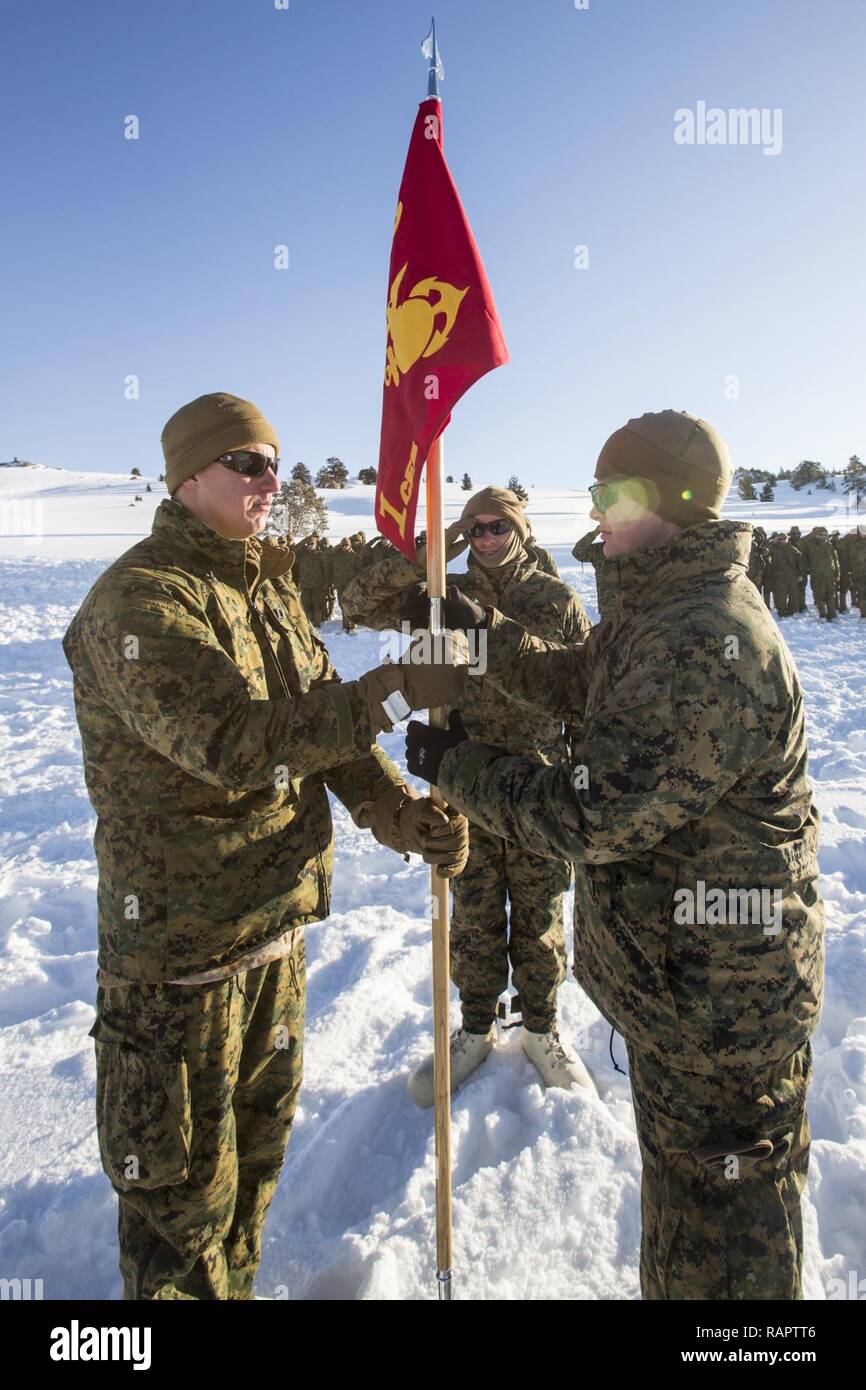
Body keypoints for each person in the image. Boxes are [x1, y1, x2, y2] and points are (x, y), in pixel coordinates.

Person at [382, 410, 824, 1300]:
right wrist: (480, 632)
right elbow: (572, 681)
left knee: (727, 1259)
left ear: (671, 500)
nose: (593, 510)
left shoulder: (701, 636)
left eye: (609, 491)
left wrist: (457, 766)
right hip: (686, 996)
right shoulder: (656, 609)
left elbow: (594, 817)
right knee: (685, 1227)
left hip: (725, 1014)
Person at [63, 391, 469, 1300]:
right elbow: (233, 744)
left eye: (274, 462)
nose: (268, 480)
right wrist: (396, 687)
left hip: (274, 942)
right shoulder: (141, 598)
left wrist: (397, 811)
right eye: (246, 462)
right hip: (180, 966)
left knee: (251, 1181)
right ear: (188, 477)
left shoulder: (264, 587)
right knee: (180, 1215)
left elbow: (322, 722)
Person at [345, 487, 593, 1102]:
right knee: (475, 914)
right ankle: (476, 1026)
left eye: (497, 527)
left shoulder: (556, 600)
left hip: (538, 787)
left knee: (539, 917)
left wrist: (584, 784)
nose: (485, 539)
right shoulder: (441, 595)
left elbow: (584, 695)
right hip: (460, 779)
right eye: (474, 529)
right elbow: (355, 603)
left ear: (521, 530)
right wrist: (428, 554)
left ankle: (541, 1027)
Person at [571, 524, 619, 619]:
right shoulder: (598, 550)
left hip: (632, 606)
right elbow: (578, 552)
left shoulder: (630, 548)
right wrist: (594, 533)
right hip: (607, 607)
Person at [806, 527, 840, 621]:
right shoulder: (810, 546)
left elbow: (835, 560)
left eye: (825, 535)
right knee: (819, 596)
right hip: (817, 577)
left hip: (829, 576)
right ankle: (822, 615)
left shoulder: (830, 546)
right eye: (820, 535)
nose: (823, 537)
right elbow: (805, 560)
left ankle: (832, 615)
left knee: (831, 596)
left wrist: (837, 573)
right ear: (816, 535)